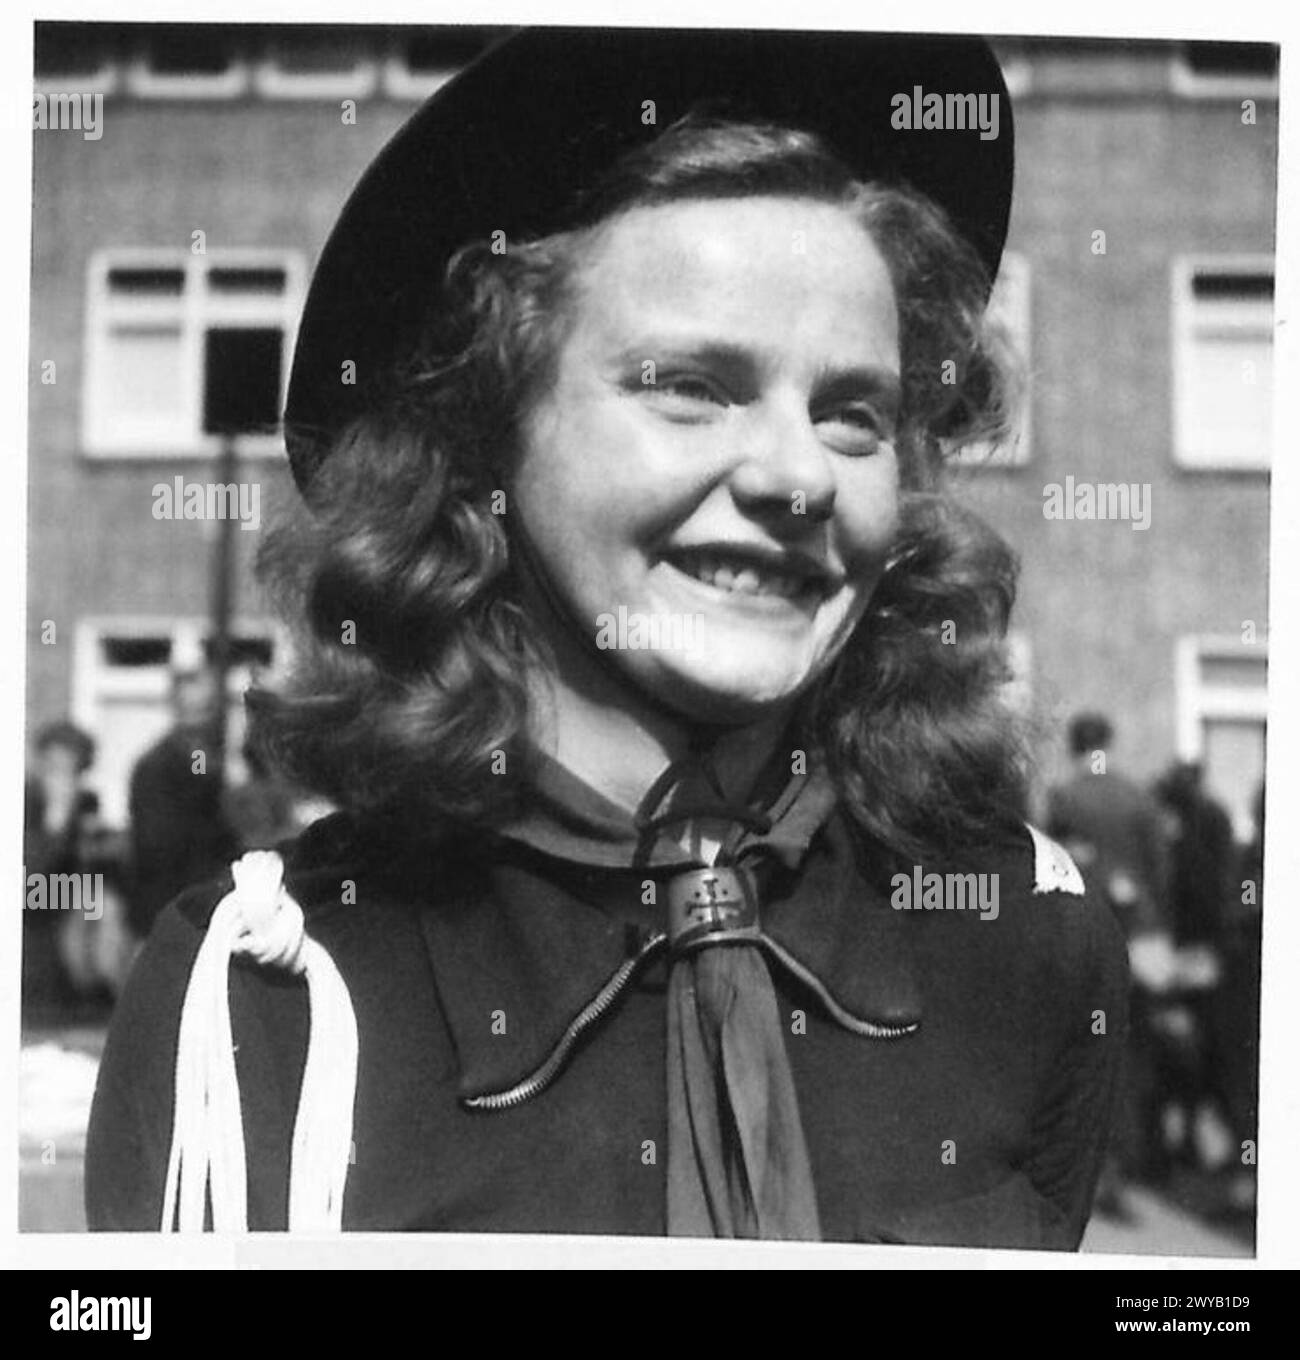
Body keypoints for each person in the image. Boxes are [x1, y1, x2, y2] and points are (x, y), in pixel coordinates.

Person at [86, 28, 1127, 1246]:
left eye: (853, 413)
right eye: (689, 385)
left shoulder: (1025, 952)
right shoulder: (268, 1000)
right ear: (485, 436)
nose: (799, 475)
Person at [126, 665, 238, 942]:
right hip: (170, 912)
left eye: (206, 708)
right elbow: (158, 847)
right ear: (176, 708)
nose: (201, 719)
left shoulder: (205, 762)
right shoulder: (157, 767)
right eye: (193, 709)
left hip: (204, 909)